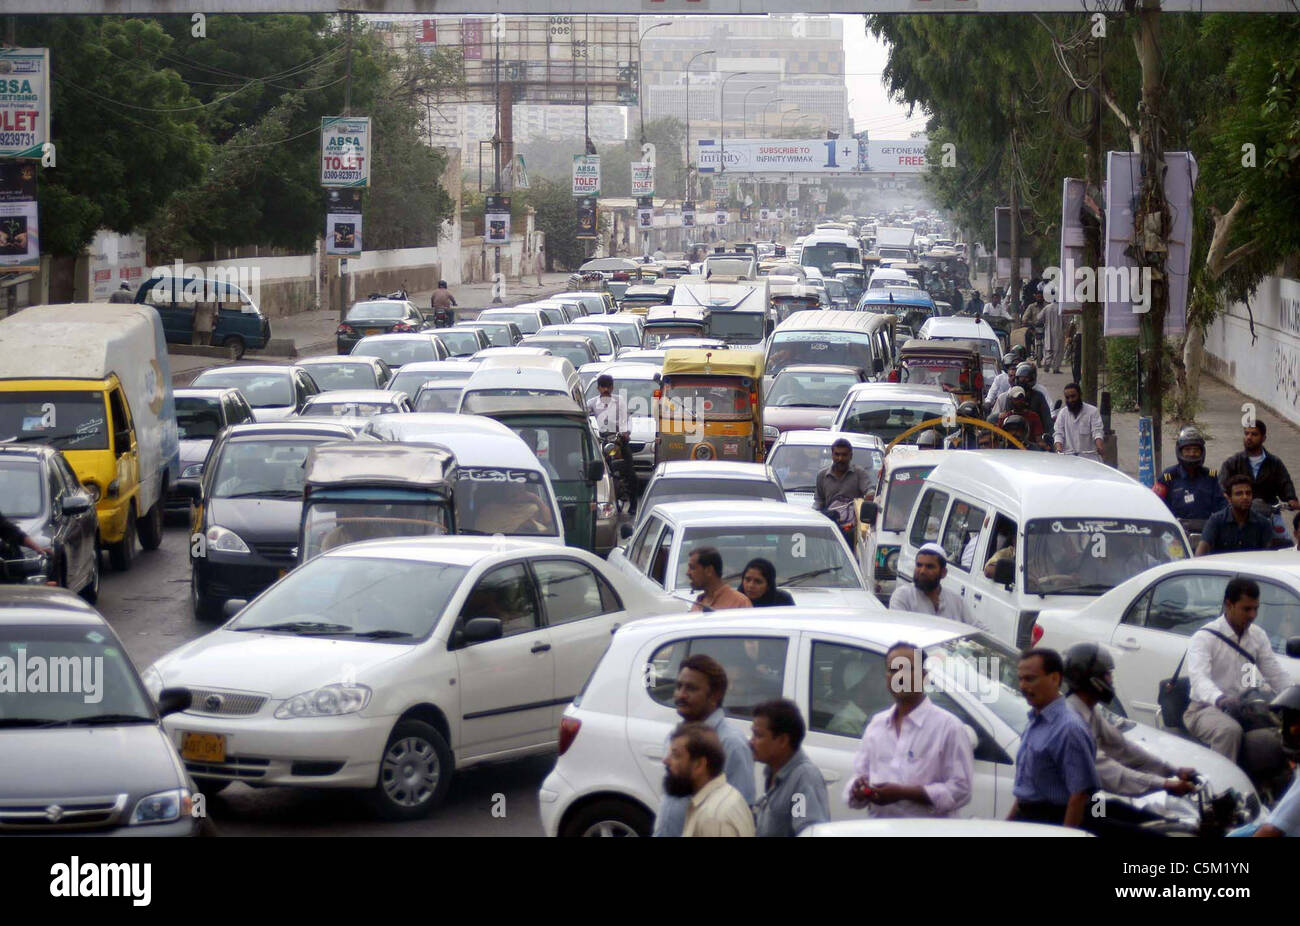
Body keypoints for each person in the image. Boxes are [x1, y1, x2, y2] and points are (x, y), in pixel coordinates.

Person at [844, 642, 974, 818]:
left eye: (907, 669)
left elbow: (961, 790)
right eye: (893, 670)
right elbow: (859, 776)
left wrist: (905, 793)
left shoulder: (949, 727)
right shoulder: (877, 725)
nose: (899, 676)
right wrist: (858, 789)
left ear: (924, 677)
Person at [1063, 643, 1198, 798]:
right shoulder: (1072, 724)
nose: (1111, 679)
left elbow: (1123, 748)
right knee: (1113, 818)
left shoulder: (1090, 711)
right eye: (1107, 674)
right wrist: (1164, 784)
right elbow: (1110, 773)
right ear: (1092, 680)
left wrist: (1174, 770)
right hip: (1062, 810)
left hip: (1087, 796)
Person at [1183, 576, 1292, 760]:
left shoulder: (1258, 636)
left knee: (1283, 732)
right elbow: (1199, 679)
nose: (1252, 615)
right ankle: (1224, 786)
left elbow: (1275, 674)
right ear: (1229, 605)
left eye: (1256, 608)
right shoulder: (1204, 638)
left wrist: (1292, 697)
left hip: (1245, 708)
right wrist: (1220, 699)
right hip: (1205, 709)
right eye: (1246, 609)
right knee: (1229, 731)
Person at [653, 654, 756, 836]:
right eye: (678, 686)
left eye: (691, 688)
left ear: (714, 695)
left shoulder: (731, 743)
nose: (681, 695)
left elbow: (739, 811)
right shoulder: (675, 736)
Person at [1007, 648, 1100, 829]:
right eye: (1020, 679)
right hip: (1027, 820)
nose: (1023, 686)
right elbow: (1026, 791)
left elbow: (1079, 796)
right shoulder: (1035, 720)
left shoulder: (1068, 728)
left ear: (1055, 678)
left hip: (1050, 823)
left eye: (1030, 679)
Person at [750, 698, 831, 837]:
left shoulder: (803, 779)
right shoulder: (773, 772)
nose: (751, 741)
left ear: (782, 740)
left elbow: (807, 831)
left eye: (758, 735)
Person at [662, 722, 755, 837]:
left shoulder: (713, 818)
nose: (665, 761)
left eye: (676, 755)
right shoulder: (719, 797)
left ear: (699, 765)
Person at [888, 542, 987, 630]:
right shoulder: (903, 596)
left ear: (943, 573)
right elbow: (900, 635)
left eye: (929, 566)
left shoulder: (955, 601)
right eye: (919, 565)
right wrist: (920, 652)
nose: (922, 571)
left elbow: (978, 629)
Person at [1218, 418, 1299, 511]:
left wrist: (1291, 499)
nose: (1249, 437)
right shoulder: (1232, 462)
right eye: (1246, 433)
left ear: (1264, 438)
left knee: (1281, 526)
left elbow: (1285, 483)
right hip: (1240, 511)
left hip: (1270, 510)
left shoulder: (1275, 462)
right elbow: (1221, 483)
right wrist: (1224, 495)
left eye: (1254, 434)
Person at [1154, 426, 1226, 524]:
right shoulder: (1167, 477)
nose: (1192, 454)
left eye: (1196, 450)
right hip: (1176, 531)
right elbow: (1156, 506)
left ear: (1202, 452)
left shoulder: (1211, 477)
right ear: (1180, 451)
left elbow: (1222, 506)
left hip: (1205, 531)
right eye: (1187, 450)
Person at [813, 437, 874, 552]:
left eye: (844, 455)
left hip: (852, 530)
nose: (840, 458)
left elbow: (869, 490)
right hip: (830, 528)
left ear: (850, 456)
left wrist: (870, 495)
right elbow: (818, 502)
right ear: (832, 455)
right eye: (837, 454)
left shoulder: (859, 473)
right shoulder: (822, 475)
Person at [587, 374, 637, 512]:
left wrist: (624, 434)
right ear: (598, 388)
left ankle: (633, 504)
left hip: (619, 440)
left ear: (612, 387)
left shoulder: (619, 400)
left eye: (608, 386)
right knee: (597, 470)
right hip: (603, 440)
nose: (605, 390)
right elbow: (584, 415)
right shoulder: (592, 402)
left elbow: (624, 419)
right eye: (602, 387)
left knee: (630, 473)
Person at [1195, 475, 1272, 556]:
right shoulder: (1216, 521)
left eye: (1248, 493)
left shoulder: (1263, 524)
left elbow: (1268, 557)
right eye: (1239, 494)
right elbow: (1200, 555)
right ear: (1228, 498)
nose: (1245, 497)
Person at [687, 546, 752, 612]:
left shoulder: (740, 603)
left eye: (692, 568)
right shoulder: (698, 602)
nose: (687, 573)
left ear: (709, 570)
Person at [1052, 382, 1105, 461]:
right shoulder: (1062, 413)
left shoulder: (1092, 411)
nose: (1070, 400)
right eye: (1067, 397)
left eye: (1073, 396)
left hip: (1090, 458)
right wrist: (1059, 449)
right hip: (1068, 458)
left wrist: (1099, 446)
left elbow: (1097, 431)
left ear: (1080, 395)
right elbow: (1058, 433)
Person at [1065, 321, 1082, 385]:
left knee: (1077, 363)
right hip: (1079, 337)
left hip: (1079, 337)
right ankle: (1077, 379)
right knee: (1077, 363)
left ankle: (1077, 380)